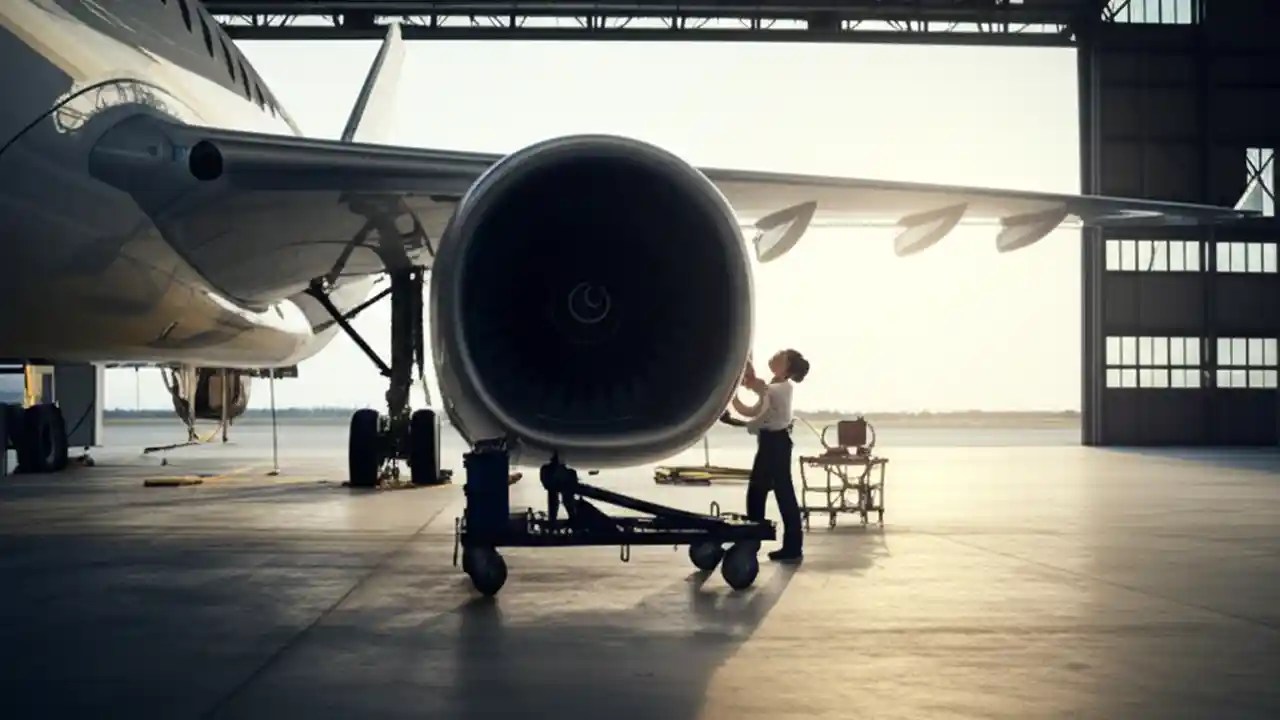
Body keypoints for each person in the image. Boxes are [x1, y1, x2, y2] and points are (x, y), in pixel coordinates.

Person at [720, 348, 810, 562]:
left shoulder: (781, 388)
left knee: (773, 494)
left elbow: (759, 397)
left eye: (782, 356)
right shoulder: (776, 386)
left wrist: (742, 379)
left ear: (786, 369)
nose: (776, 355)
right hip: (772, 443)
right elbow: (752, 411)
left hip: (776, 444)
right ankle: (758, 541)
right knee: (763, 493)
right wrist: (733, 401)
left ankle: (760, 543)